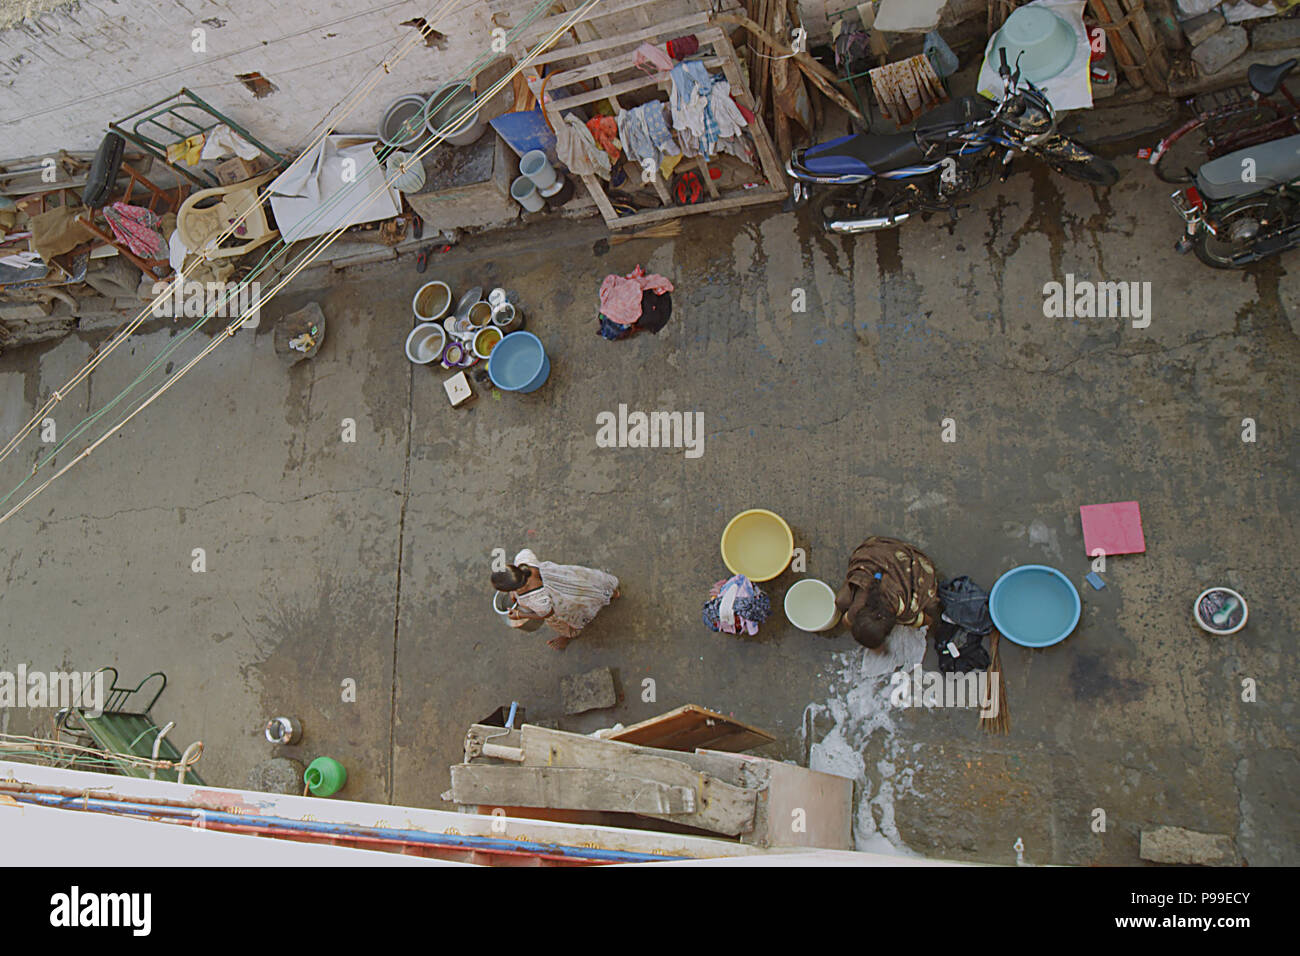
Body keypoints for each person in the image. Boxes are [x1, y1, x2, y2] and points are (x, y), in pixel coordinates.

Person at [491, 548, 620, 650]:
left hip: (563, 602)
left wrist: (520, 614)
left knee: (566, 622)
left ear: (514, 588)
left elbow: (547, 614)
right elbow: (526, 552)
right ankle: (611, 593)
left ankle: (567, 636)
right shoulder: (523, 559)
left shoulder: (536, 599)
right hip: (565, 579)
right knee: (587, 584)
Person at [834, 536, 940, 650]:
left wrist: (930, 625)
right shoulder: (859, 603)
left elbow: (927, 620)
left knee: (929, 605)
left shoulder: (903, 609)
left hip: (905, 562)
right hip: (878, 553)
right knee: (842, 601)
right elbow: (847, 621)